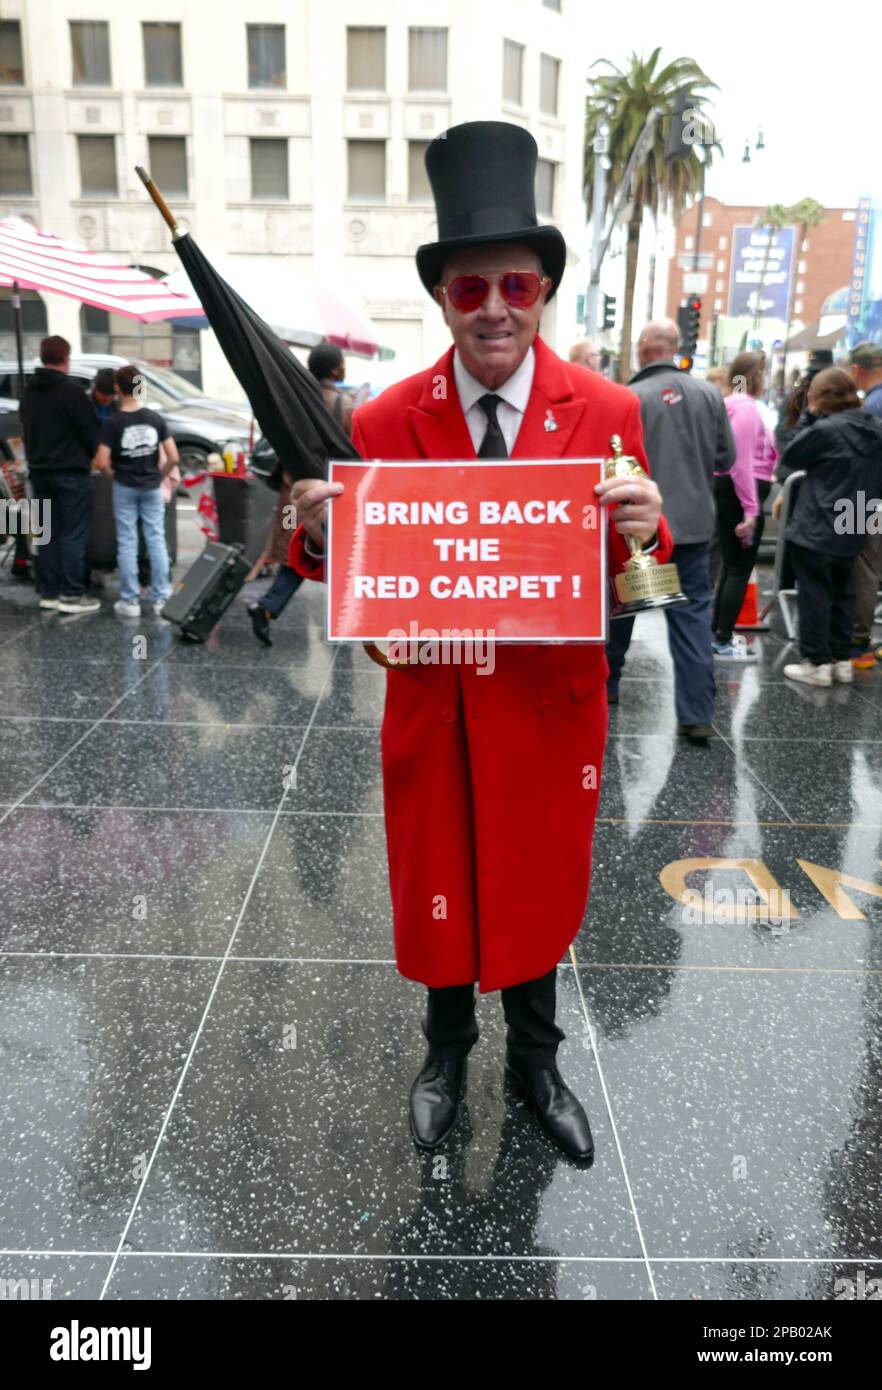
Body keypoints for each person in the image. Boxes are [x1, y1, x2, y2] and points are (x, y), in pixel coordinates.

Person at [286, 122, 670, 1163]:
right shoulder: (385, 422)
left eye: (514, 283)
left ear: (541, 288)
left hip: (551, 711)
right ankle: (446, 1052)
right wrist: (318, 526)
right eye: (470, 289)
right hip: (436, 704)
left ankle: (537, 1062)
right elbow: (337, 560)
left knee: (539, 885)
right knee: (442, 881)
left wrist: (646, 520)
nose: (494, 307)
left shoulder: (605, 407)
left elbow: (648, 546)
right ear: (444, 299)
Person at [606, 318, 736, 743]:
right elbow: (726, 457)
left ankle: (607, 688)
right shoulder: (708, 394)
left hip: (637, 529)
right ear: (674, 348)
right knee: (693, 617)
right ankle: (696, 714)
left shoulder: (626, 397)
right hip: (695, 527)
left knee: (622, 608)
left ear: (644, 348)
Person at [780, 367, 882, 686]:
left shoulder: (827, 429)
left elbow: (791, 455)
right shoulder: (875, 429)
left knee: (815, 595)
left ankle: (816, 662)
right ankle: (841, 659)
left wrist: (809, 416)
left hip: (818, 522)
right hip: (853, 518)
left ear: (821, 397)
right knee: (844, 592)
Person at [20, 334, 100, 613]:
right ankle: (71, 594)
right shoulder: (72, 392)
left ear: (43, 357)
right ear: (66, 358)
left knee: (47, 534)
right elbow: (90, 433)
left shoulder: (29, 391)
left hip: (39, 472)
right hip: (71, 474)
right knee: (72, 534)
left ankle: (49, 592)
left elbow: (26, 428)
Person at [94, 365, 177, 617]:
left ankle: (130, 601)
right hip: (151, 486)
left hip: (125, 487)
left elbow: (101, 461)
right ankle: (161, 596)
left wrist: (114, 475)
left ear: (117, 388)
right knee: (156, 540)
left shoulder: (113, 422)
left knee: (127, 541)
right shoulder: (154, 418)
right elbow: (173, 457)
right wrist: (158, 476)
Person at [712, 351, 776, 660]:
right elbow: (740, 462)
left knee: (731, 566)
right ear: (756, 376)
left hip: (733, 491)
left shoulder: (732, 405)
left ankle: (717, 634)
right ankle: (721, 638)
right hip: (740, 494)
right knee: (738, 567)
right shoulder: (745, 408)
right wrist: (751, 510)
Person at [848, 341, 882, 666]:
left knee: (864, 567)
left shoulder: (872, 407)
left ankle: (857, 640)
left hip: (867, 499)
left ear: (857, 370)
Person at [247, 462, 305, 646]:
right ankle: (267, 606)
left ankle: (267, 606)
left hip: (293, 497)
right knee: (298, 557)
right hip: (301, 497)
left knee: (298, 558)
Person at [307, 344, 355, 439]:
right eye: (342, 364)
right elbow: (354, 440)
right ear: (335, 370)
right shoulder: (344, 402)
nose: (344, 368)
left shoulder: (300, 394)